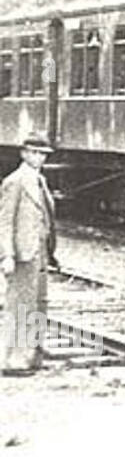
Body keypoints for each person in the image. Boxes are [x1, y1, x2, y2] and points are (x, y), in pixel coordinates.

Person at [0, 134, 57, 376]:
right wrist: (7, 255)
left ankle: (32, 356)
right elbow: (5, 222)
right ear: (23, 153)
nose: (39, 158)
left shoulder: (39, 180)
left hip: (40, 252)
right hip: (23, 254)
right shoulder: (15, 181)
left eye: (43, 154)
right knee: (19, 306)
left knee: (38, 305)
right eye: (34, 152)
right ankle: (12, 360)